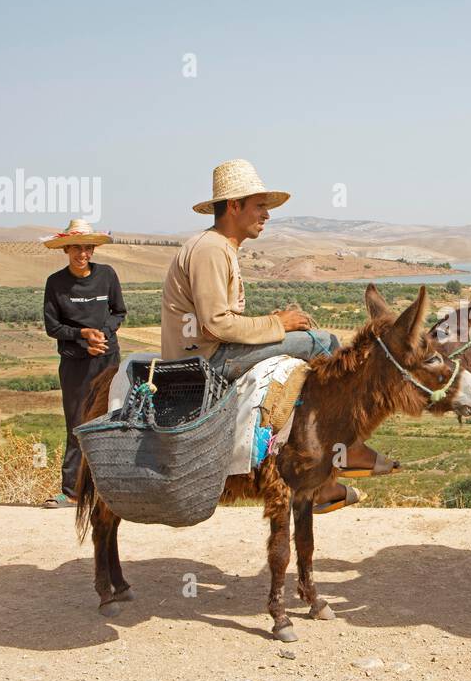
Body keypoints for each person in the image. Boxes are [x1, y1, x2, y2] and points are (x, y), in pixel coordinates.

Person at [160, 158, 394, 512]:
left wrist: (268, 323)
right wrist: (278, 324)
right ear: (234, 206)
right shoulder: (211, 250)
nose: (266, 215)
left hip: (211, 353)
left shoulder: (217, 247)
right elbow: (214, 325)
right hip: (207, 362)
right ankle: (345, 446)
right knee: (323, 343)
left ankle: (320, 472)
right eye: (259, 206)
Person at [42, 219, 126, 508]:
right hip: (75, 364)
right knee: (77, 422)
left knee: (110, 419)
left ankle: (110, 489)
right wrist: (82, 336)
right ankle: (72, 491)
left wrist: (103, 333)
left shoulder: (107, 275)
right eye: (76, 248)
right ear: (66, 249)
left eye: (88, 248)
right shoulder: (56, 283)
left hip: (108, 360)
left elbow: (119, 312)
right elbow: (52, 327)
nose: (82, 254)